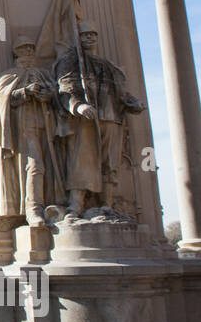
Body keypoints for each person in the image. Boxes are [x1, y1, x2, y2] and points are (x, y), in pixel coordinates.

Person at [53, 22, 145, 215]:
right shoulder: (71, 60)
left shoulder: (107, 65)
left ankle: (107, 203)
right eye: (85, 35)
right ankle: (76, 204)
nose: (89, 38)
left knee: (110, 162)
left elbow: (119, 92)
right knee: (82, 159)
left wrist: (133, 103)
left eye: (92, 34)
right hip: (86, 117)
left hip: (111, 117)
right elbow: (65, 87)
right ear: (78, 37)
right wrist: (78, 105)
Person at [0, 37, 60, 227]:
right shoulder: (9, 75)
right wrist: (25, 91)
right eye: (23, 48)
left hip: (47, 126)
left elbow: (56, 94)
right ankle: (33, 209)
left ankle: (53, 205)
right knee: (35, 166)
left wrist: (47, 94)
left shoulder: (42, 74)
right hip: (23, 127)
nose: (28, 52)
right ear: (16, 52)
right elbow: (2, 99)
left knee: (49, 166)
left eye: (31, 48)